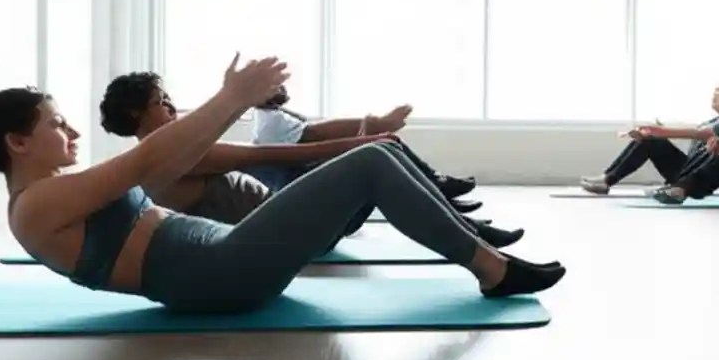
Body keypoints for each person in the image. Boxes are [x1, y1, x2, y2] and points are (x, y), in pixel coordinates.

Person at [0, 54, 563, 314]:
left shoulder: (47, 196)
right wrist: (232, 97)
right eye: (56, 122)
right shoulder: (36, 205)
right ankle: (493, 268)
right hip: (219, 274)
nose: (73, 130)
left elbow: (165, 160)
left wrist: (230, 99)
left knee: (375, 155)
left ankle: (483, 251)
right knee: (371, 161)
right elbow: (145, 166)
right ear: (17, 141)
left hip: (220, 261)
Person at [99, 73, 486, 224]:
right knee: (375, 155)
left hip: (286, 205)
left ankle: (444, 200)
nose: (169, 105)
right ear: (136, 113)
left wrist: (248, 97)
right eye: (160, 101)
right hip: (302, 223)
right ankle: (452, 211)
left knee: (318, 137)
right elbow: (274, 155)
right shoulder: (173, 155)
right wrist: (361, 144)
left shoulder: (165, 149)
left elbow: (226, 131)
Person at [250, 84, 475, 199]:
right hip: (317, 205)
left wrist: (368, 134)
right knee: (385, 148)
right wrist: (368, 135)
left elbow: (317, 140)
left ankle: (439, 191)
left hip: (312, 189)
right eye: (274, 85)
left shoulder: (272, 116)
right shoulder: (271, 123)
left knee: (386, 144)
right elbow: (317, 140)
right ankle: (437, 187)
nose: (282, 88)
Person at [580, 81, 719, 195]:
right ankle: (606, 177)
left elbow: (698, 134)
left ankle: (607, 180)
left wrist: (659, 131)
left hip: (700, 178)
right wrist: (657, 132)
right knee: (647, 140)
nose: (714, 94)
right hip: (689, 170)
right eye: (714, 90)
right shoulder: (711, 121)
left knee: (652, 140)